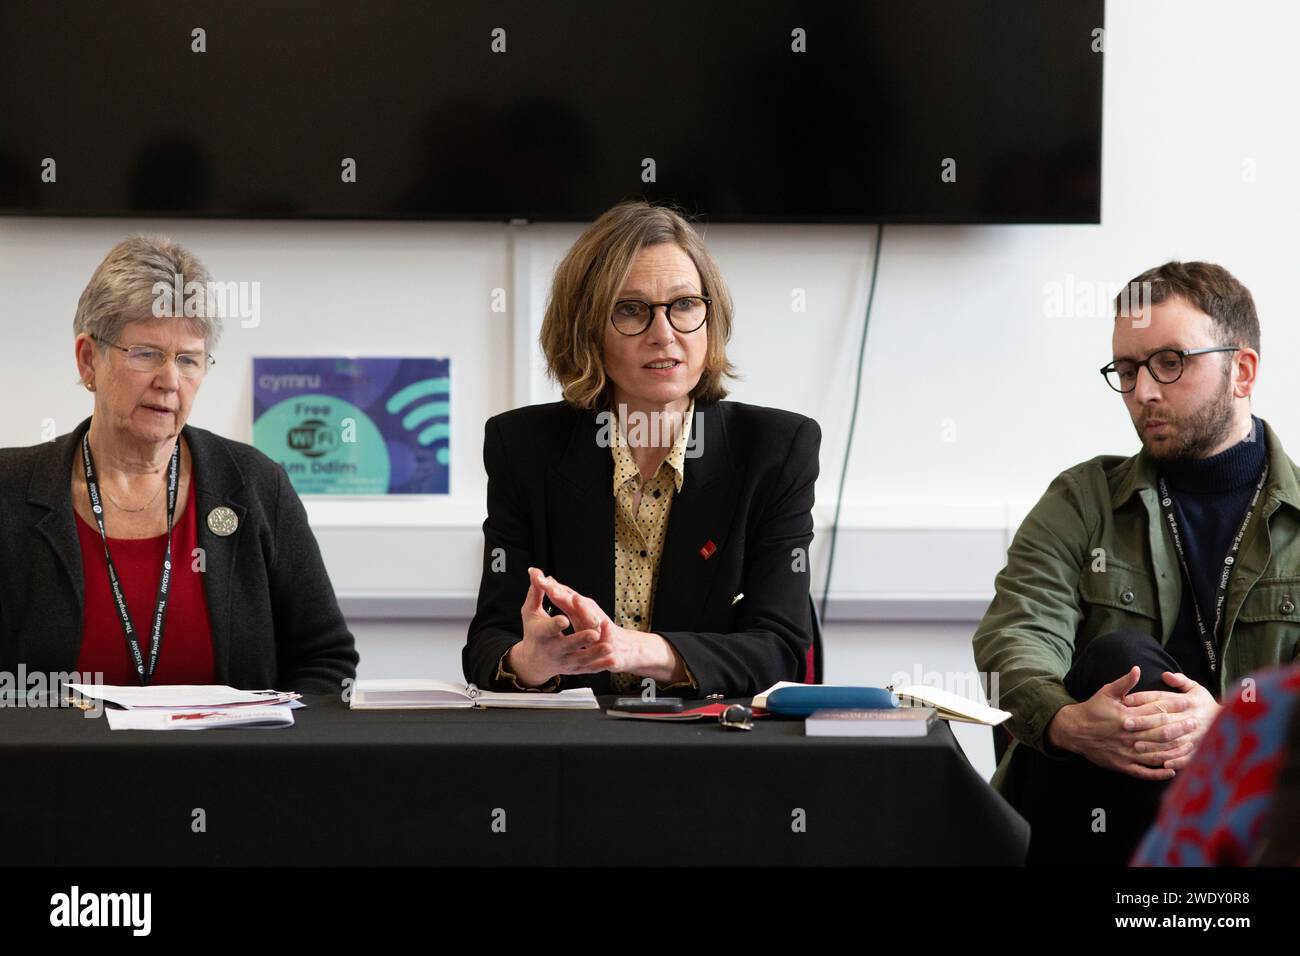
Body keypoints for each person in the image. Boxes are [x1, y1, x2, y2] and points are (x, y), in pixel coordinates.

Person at [973, 261, 1300, 865]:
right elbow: (1015, 637)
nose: (1144, 391)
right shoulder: (1081, 500)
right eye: (1127, 370)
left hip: (1253, 823)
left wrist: (1229, 731)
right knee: (1119, 664)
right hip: (1079, 809)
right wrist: (1068, 722)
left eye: (1170, 362)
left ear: (1242, 371)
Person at [464, 201, 821, 697]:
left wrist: (637, 649)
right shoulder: (523, 448)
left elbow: (780, 649)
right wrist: (529, 661)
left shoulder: (776, 451)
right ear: (586, 329)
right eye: (630, 309)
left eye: (684, 305)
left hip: (715, 749)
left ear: (710, 317)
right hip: (574, 753)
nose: (664, 333)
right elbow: (487, 646)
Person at [0, 236, 358, 694]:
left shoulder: (255, 485)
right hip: (59, 768)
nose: (170, 380)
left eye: (188, 359)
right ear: (89, 360)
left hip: (229, 767)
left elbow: (326, 658)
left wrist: (271, 757)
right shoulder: (9, 493)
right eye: (147, 354)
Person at [1132, 662, 1300, 866]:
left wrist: (1215, 719)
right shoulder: (1266, 706)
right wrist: (1080, 727)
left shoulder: (1268, 707)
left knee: (1120, 652)